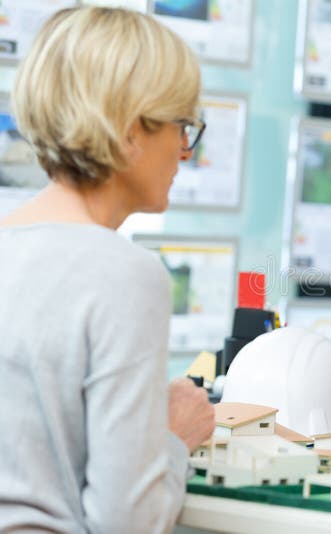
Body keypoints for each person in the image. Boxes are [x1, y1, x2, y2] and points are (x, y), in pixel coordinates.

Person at [0, 7, 215, 532]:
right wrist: (174, 436)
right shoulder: (123, 273)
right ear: (130, 131)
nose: (184, 152)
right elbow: (128, 522)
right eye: (179, 126)